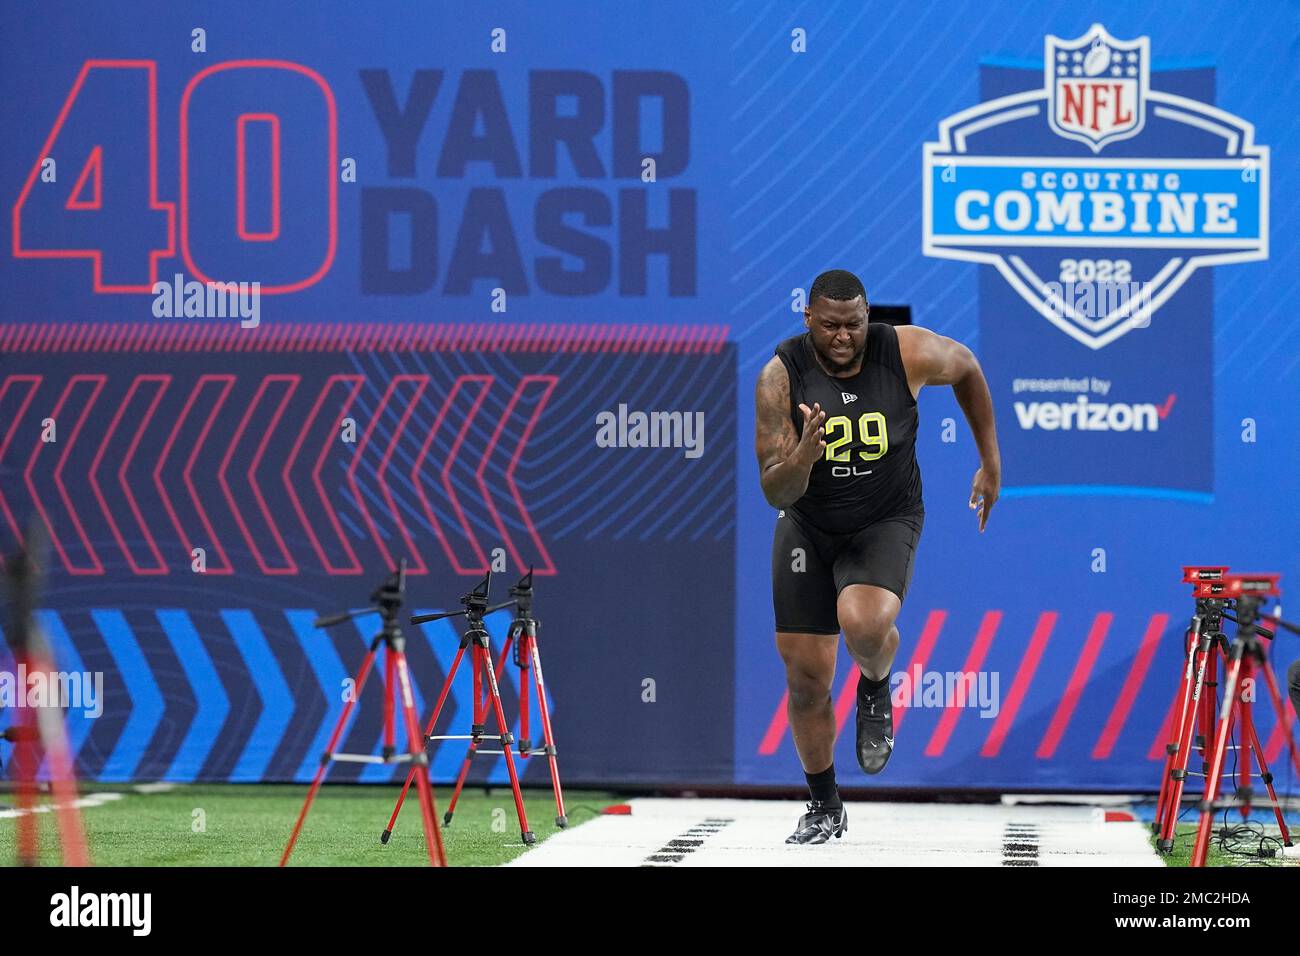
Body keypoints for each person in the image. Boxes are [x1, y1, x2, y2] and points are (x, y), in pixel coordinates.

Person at [754, 269, 1001, 844]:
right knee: (806, 678)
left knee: (863, 623)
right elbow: (774, 491)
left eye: (855, 325)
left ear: (870, 318)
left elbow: (968, 368)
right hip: (808, 528)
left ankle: (876, 678)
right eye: (832, 326)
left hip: (884, 520)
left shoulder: (905, 350)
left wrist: (990, 462)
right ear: (808, 319)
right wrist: (803, 459)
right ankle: (824, 803)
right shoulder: (779, 377)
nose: (844, 337)